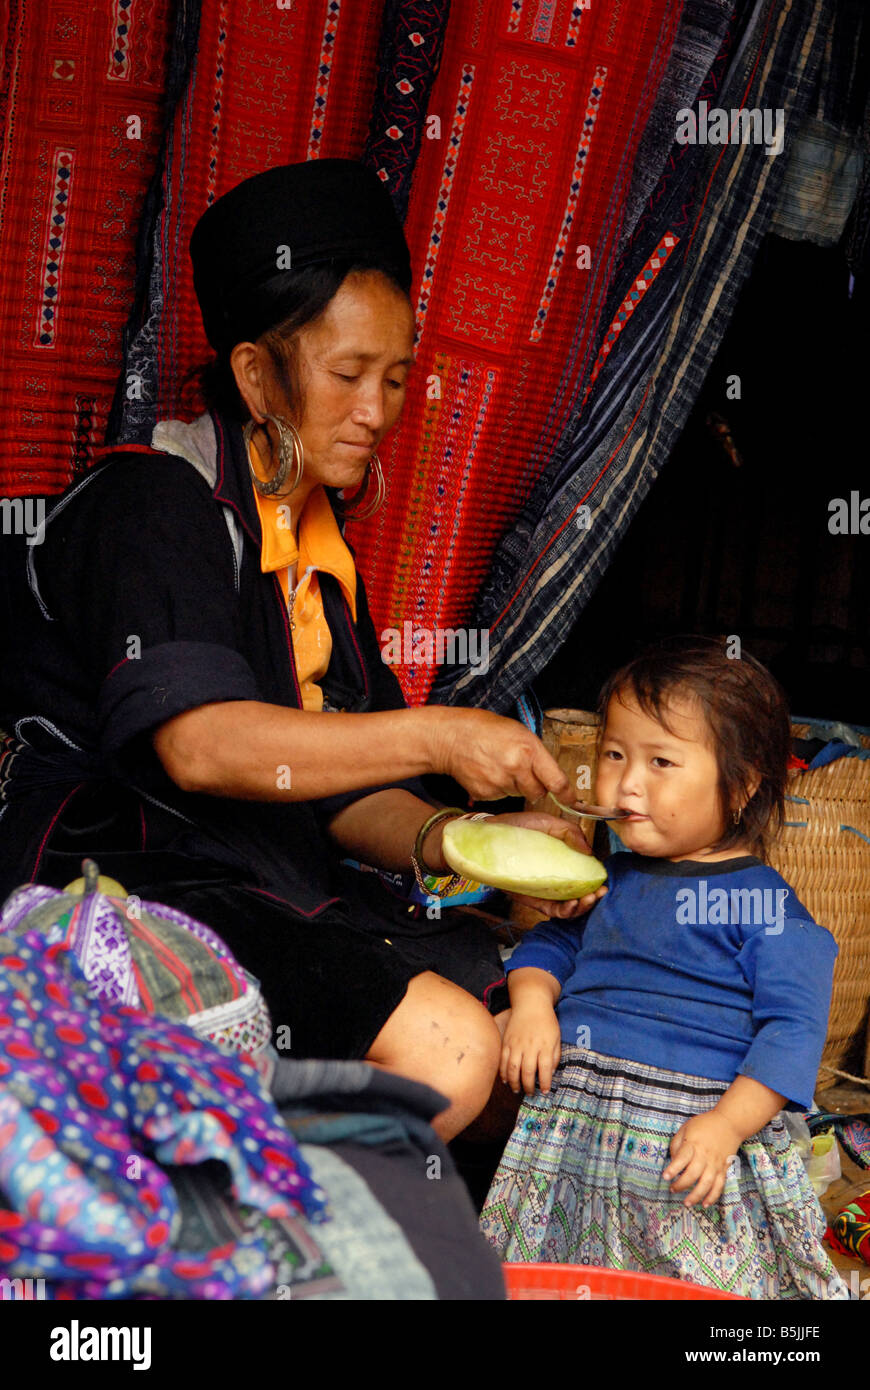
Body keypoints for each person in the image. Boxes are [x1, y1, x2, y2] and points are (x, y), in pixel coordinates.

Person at [0, 159, 599, 1144]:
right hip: (118, 887)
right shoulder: (156, 502)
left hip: (263, 882)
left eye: (397, 377)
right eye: (349, 374)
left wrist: (461, 839)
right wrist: (441, 733)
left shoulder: (317, 552)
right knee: (447, 1046)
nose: (379, 410)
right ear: (254, 374)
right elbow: (205, 747)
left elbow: (338, 785)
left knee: (522, 1024)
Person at [479, 636, 850, 1298]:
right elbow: (549, 947)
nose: (627, 782)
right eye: (616, 754)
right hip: (577, 1135)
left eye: (661, 761)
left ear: (740, 785)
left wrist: (727, 1125)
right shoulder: (605, 881)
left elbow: (793, 1029)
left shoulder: (764, 906)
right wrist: (533, 1004)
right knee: (563, 1276)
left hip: (691, 1141)